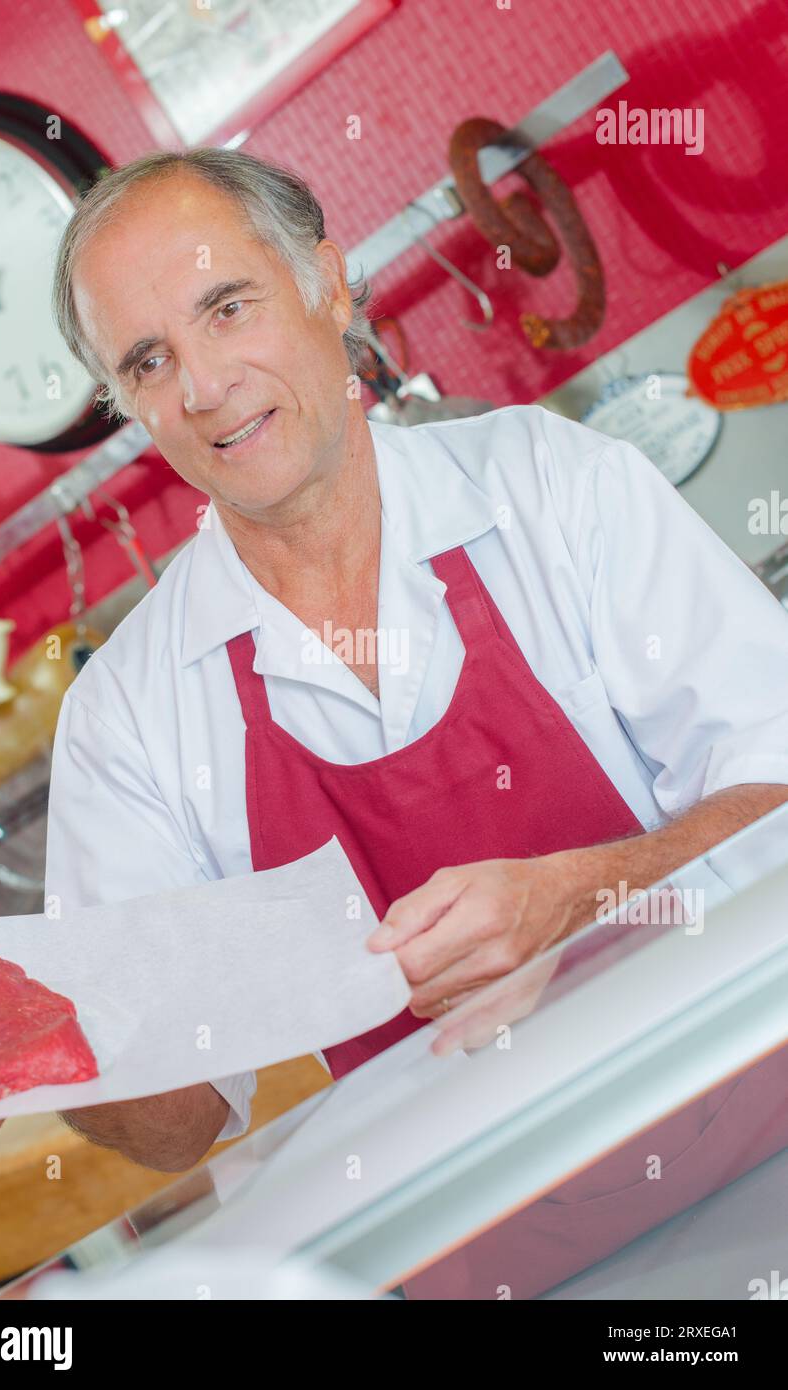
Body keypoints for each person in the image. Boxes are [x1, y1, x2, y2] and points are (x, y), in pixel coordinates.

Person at [39, 145, 788, 1174]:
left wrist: (586, 897)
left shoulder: (551, 487)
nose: (206, 386)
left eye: (227, 308)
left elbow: (779, 784)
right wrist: (41, 1047)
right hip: (472, 1236)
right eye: (148, 362)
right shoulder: (126, 716)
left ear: (330, 284)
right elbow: (180, 1125)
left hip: (746, 1112)